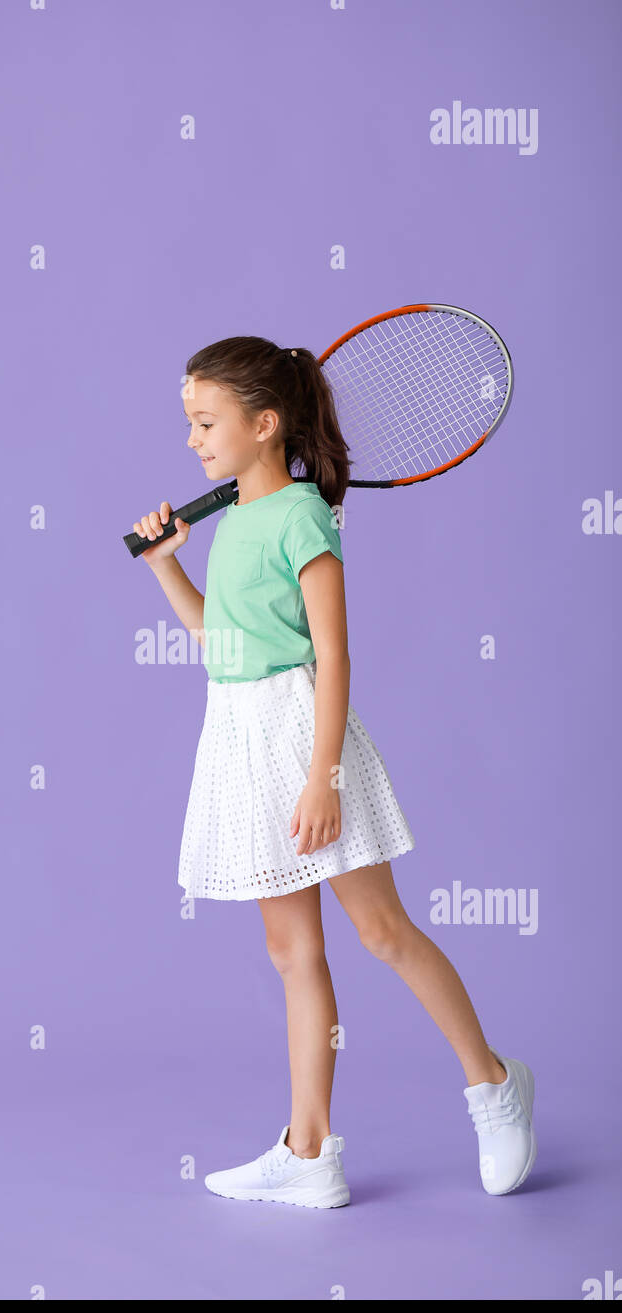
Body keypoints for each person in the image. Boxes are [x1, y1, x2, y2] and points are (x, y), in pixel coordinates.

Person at [132, 335, 536, 1209]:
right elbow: (222, 645)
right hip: (238, 739)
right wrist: (166, 566)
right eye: (190, 425)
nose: (194, 442)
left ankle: (494, 1083)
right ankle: (310, 1150)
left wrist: (323, 778)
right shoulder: (233, 520)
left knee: (382, 931)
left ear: (265, 425)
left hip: (302, 738)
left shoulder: (304, 517)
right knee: (292, 952)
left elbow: (335, 656)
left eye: (206, 423)